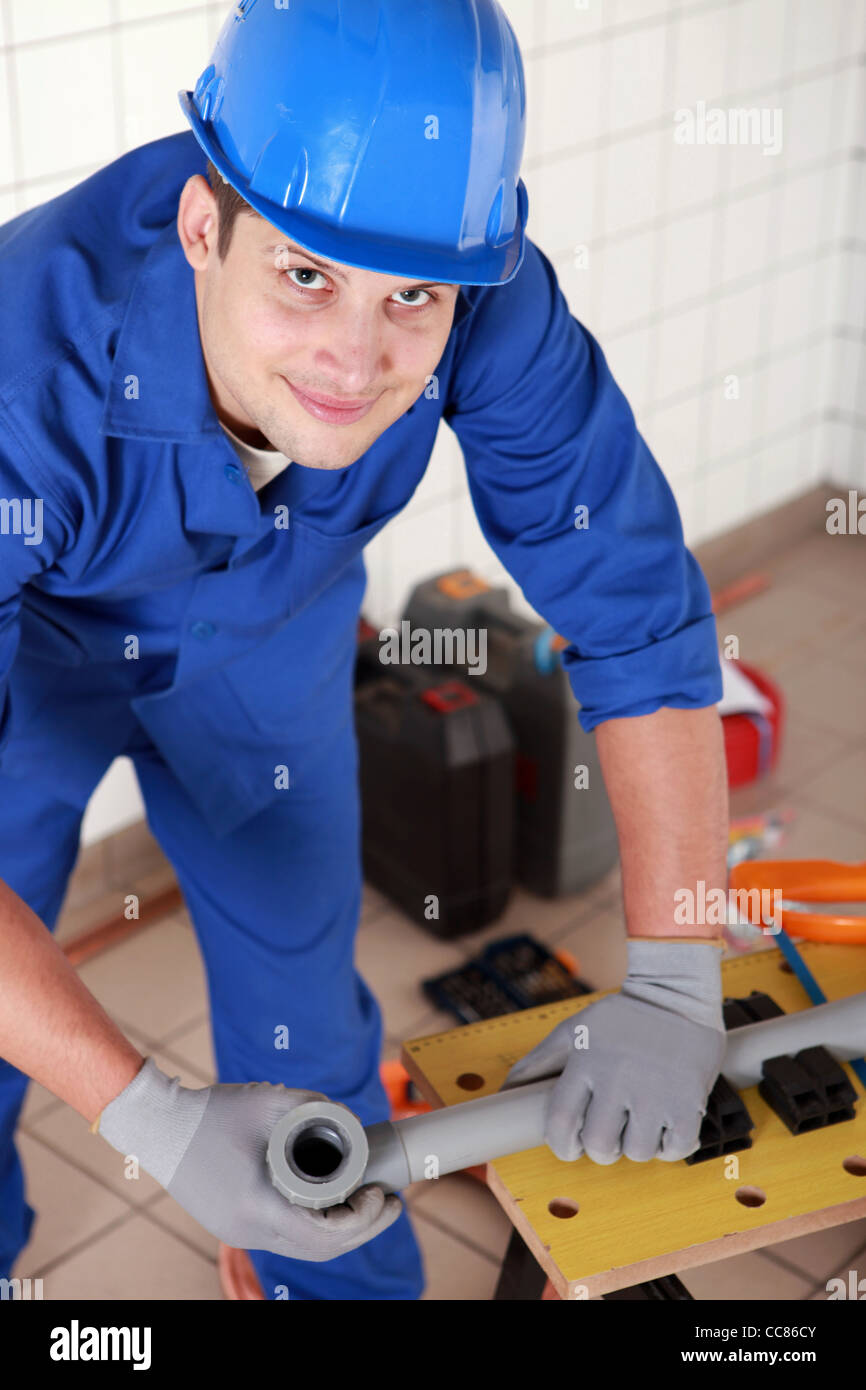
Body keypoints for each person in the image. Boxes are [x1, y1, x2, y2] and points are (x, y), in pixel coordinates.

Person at [0, 0, 727, 1302]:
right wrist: (150, 1116)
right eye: (303, 277)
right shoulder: (22, 369)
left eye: (411, 297)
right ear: (200, 226)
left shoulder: (489, 306)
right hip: (29, 663)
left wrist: (677, 975)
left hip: (262, 647)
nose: (355, 357)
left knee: (302, 1027)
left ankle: (323, 1285)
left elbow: (637, 612)